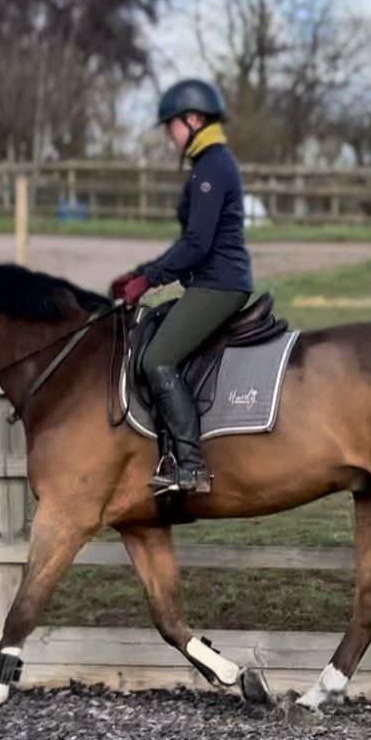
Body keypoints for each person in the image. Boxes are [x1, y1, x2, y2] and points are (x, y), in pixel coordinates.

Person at [110, 78, 253, 495]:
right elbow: (190, 243)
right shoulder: (209, 163)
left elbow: (196, 244)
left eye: (171, 124)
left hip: (219, 285)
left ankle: (190, 466)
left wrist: (148, 279)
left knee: (158, 358)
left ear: (192, 119)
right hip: (209, 282)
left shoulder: (212, 166)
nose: (169, 134)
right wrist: (141, 272)